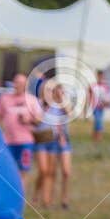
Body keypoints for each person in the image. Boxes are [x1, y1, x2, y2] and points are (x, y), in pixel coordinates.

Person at [0, 73, 42, 181]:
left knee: (23, 171)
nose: (18, 85)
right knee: (7, 170)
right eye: (16, 83)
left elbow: (39, 120)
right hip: (8, 142)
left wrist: (29, 120)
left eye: (21, 83)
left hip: (26, 142)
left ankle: (20, 197)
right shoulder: (4, 98)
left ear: (26, 85)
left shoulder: (32, 100)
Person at [36, 78, 71, 209]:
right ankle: (44, 199)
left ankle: (62, 200)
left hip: (63, 141)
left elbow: (69, 113)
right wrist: (45, 105)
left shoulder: (61, 105)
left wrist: (61, 98)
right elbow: (37, 121)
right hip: (44, 140)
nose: (51, 93)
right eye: (48, 90)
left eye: (53, 90)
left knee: (64, 172)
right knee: (47, 171)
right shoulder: (40, 104)